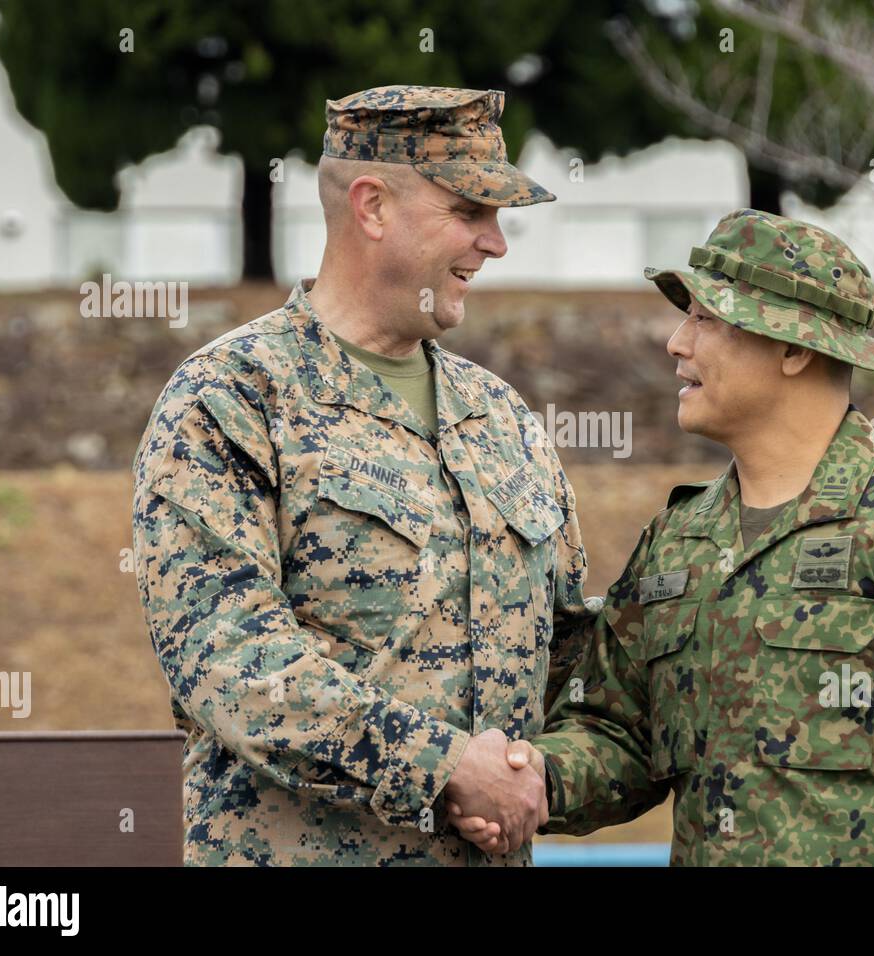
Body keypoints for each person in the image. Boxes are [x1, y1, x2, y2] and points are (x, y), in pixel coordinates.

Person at [449, 209, 874, 865]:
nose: (677, 342)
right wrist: (534, 779)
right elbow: (619, 730)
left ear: (793, 348)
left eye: (706, 318)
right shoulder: (678, 541)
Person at [131, 85, 595, 866]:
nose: (496, 243)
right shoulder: (232, 399)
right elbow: (233, 662)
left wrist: (534, 778)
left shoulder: (503, 418)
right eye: (469, 211)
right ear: (372, 207)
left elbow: (575, 665)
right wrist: (445, 769)